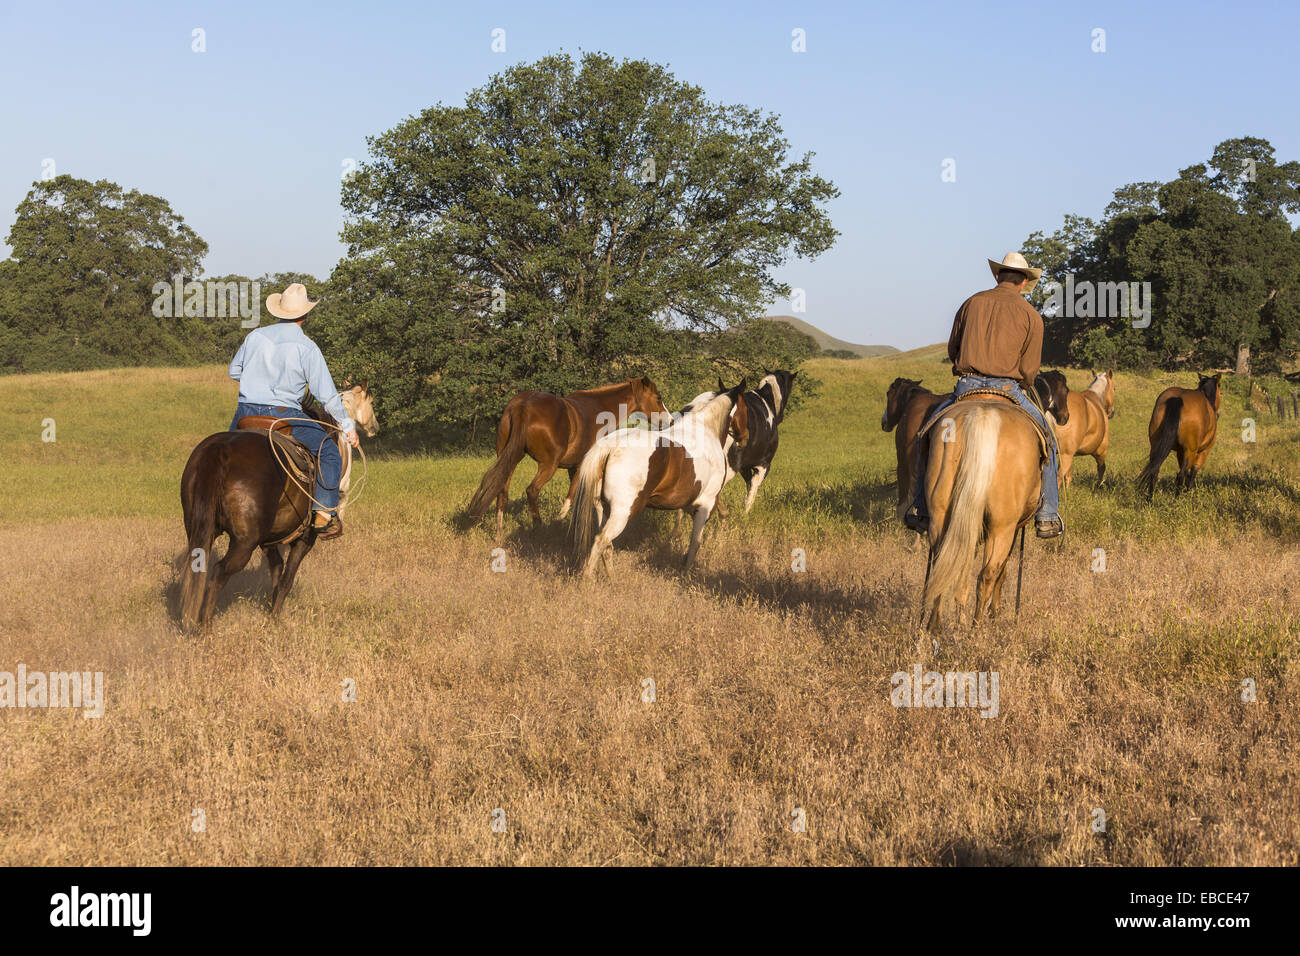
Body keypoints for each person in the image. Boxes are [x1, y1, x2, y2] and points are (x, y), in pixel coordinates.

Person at [904, 252, 1063, 539]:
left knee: (926, 433)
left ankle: (920, 507)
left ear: (997, 275)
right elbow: (1029, 370)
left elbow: (953, 349)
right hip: (1008, 390)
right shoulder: (1031, 316)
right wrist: (1021, 379)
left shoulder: (971, 303)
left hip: (967, 387)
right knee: (1049, 441)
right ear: (1025, 281)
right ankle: (1048, 513)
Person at [228, 282, 359, 539]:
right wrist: (348, 427)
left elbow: (234, 371)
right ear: (305, 315)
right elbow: (327, 396)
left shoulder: (255, 336)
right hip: (283, 414)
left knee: (227, 451)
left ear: (278, 311)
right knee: (330, 453)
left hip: (246, 412)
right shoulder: (307, 347)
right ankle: (323, 514)